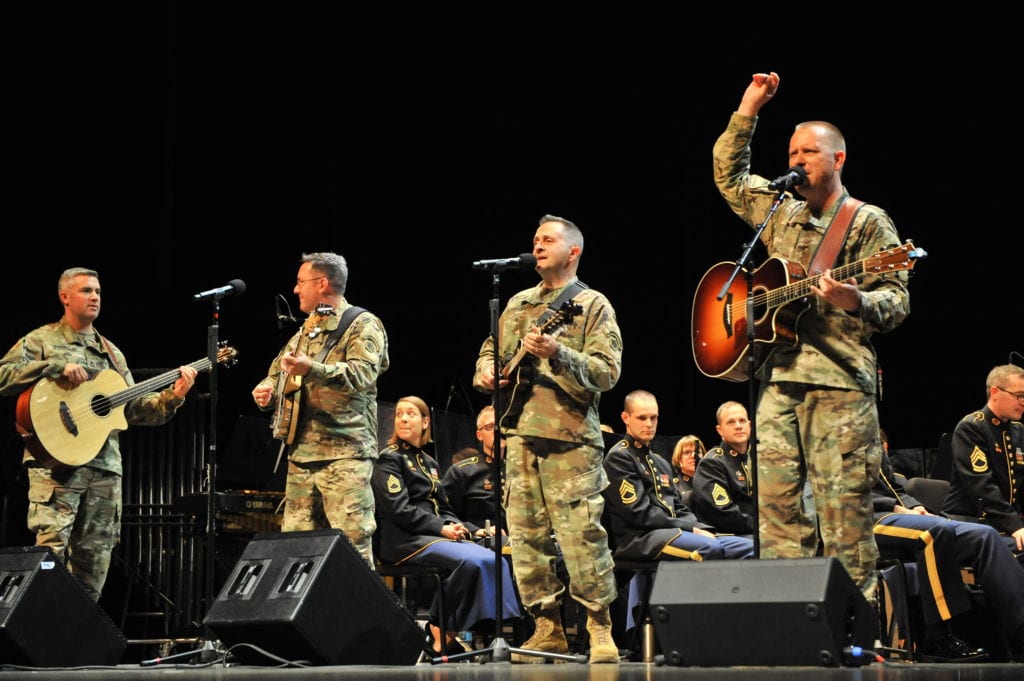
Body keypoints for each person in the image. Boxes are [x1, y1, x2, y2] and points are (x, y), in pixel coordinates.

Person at [712, 71, 912, 600]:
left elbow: (897, 300)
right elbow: (729, 177)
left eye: (809, 153)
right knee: (776, 512)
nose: (797, 161)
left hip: (839, 387)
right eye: (793, 152)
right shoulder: (780, 209)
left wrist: (857, 299)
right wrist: (748, 109)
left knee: (842, 513)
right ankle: (788, 625)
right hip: (778, 381)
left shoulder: (866, 222)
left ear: (838, 160)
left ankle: (855, 633)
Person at [472, 214, 622, 664]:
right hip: (517, 434)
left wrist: (560, 353)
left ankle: (599, 627)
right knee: (526, 538)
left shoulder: (592, 304)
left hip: (571, 439)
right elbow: (489, 349)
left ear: (573, 251)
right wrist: (484, 370)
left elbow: (607, 372)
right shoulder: (516, 302)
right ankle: (546, 628)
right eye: (535, 240)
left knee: (581, 537)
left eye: (548, 240)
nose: (537, 246)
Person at [0, 267, 198, 602]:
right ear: (65, 297)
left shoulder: (112, 353)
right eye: (86, 291)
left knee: (94, 562)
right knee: (50, 556)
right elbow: (5, 376)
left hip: (104, 469)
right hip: (55, 466)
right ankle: (39, 640)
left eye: (98, 292)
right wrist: (54, 367)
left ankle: (76, 645)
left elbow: (133, 410)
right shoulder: (42, 341)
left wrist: (173, 397)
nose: (95, 297)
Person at [251, 252, 389, 569]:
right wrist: (267, 389)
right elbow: (278, 372)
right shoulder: (305, 331)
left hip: (345, 454)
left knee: (352, 547)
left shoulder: (362, 324)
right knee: (295, 550)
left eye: (301, 282)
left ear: (322, 283)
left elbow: (363, 374)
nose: (296, 290)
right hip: (302, 455)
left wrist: (312, 368)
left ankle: (359, 618)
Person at [372, 395, 521, 655]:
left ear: (426, 422)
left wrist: (467, 529)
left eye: (411, 414)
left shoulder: (429, 463)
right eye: (399, 414)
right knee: (476, 561)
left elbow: (445, 508)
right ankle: (442, 634)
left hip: (433, 536)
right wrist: (441, 528)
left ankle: (487, 631)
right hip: (406, 541)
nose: (403, 418)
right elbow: (399, 509)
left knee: (492, 557)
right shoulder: (389, 458)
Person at [874, 429, 1024, 663]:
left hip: (897, 510)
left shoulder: (869, 432)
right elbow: (839, 492)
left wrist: (912, 505)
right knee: (934, 531)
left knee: (985, 535)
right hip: (865, 517)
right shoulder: (830, 434)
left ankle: (1019, 633)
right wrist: (893, 505)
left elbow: (893, 484)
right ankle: (938, 637)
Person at [942, 364, 1024, 557]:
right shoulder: (972, 427)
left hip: (1003, 523)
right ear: (995, 392)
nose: (1023, 402)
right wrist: (1015, 526)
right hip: (970, 521)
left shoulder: (1018, 430)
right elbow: (981, 487)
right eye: (1019, 395)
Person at [691, 401, 755, 537]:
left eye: (742, 421)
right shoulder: (712, 463)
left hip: (758, 530)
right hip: (729, 534)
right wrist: (761, 525)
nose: (738, 426)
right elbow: (724, 513)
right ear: (720, 430)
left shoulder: (759, 459)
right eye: (731, 422)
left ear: (749, 425)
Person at [441, 405, 505, 538]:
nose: (499, 430)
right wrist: (475, 530)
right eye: (490, 426)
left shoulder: (525, 470)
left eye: (503, 424)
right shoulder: (462, 471)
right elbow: (444, 512)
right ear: (479, 435)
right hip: (482, 539)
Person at [669, 434, 706, 499]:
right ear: (678, 458)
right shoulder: (673, 487)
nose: (693, 456)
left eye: (697, 452)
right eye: (687, 452)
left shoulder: (712, 481)